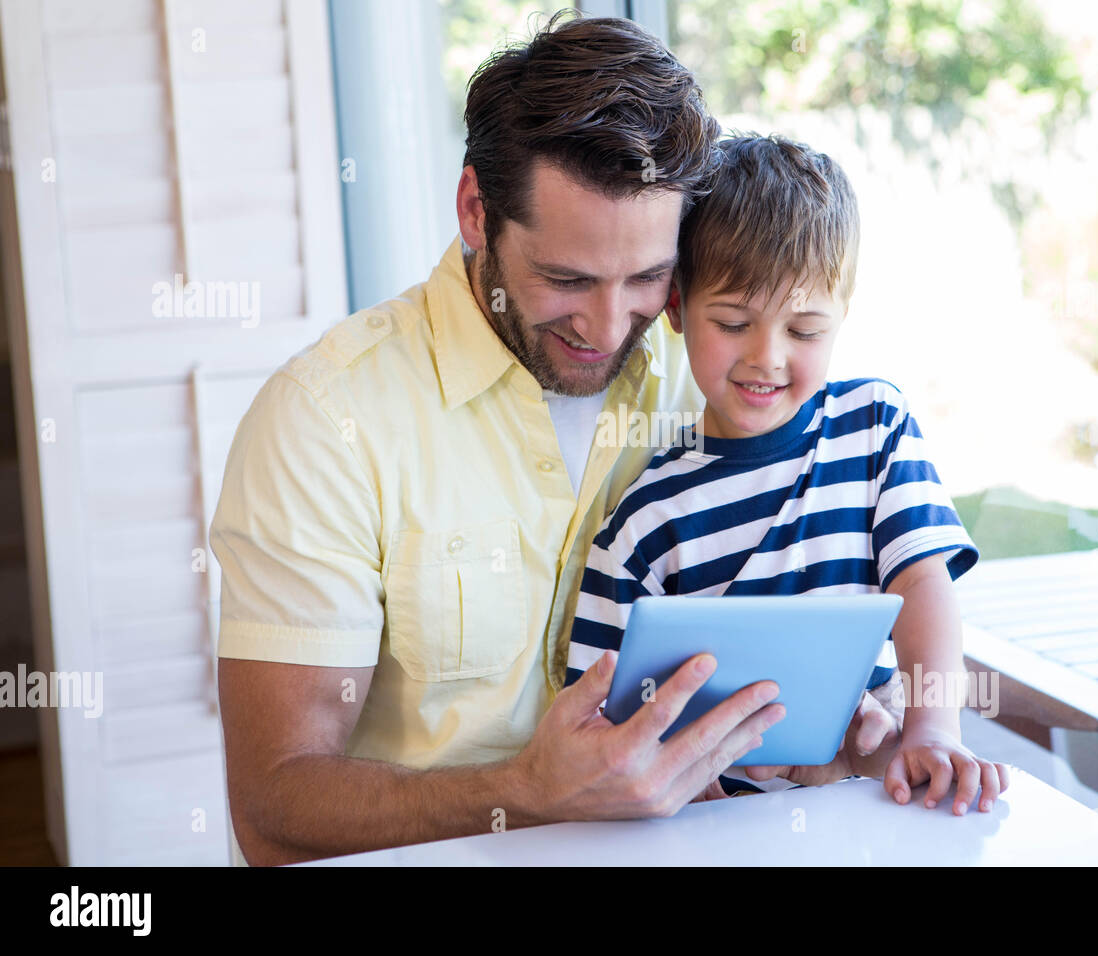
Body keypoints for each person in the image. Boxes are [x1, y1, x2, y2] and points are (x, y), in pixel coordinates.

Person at [210, 13, 791, 867]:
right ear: (477, 211)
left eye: (647, 277)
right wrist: (524, 793)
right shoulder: (323, 422)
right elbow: (274, 808)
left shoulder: (703, 377)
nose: (608, 327)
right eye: (566, 279)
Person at [564, 134, 1011, 812]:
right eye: (732, 323)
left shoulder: (876, 428)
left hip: (872, 803)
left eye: (803, 331)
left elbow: (924, 582)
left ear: (842, 315)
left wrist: (932, 730)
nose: (767, 357)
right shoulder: (643, 523)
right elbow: (598, 717)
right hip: (718, 828)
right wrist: (695, 779)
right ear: (677, 308)